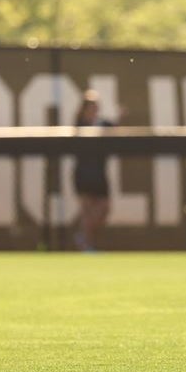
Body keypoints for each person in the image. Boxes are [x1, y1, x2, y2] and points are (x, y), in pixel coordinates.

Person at [71, 90, 118, 252]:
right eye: (91, 107)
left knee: (104, 209)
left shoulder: (103, 124)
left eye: (96, 107)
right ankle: (87, 244)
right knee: (87, 210)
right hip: (84, 174)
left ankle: (85, 239)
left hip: (100, 174)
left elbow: (115, 128)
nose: (94, 110)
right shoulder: (79, 125)